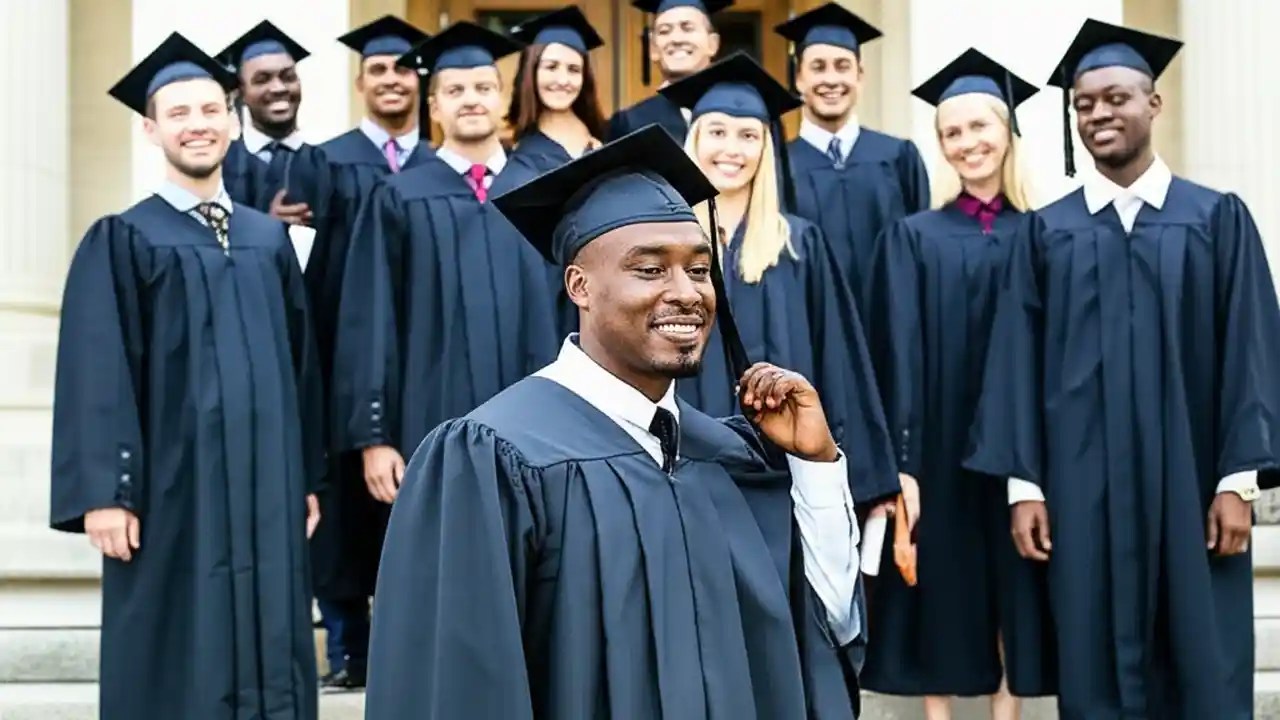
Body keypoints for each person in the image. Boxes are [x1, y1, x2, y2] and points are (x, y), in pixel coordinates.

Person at [365, 122, 865, 719]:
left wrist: (815, 466)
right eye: (650, 269)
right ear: (579, 285)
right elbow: (455, 690)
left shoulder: (726, 459)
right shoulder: (493, 456)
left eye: (699, 269)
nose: (686, 292)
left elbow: (824, 629)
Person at [966, 19, 1280, 720]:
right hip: (1083, 488)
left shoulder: (1216, 219)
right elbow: (1016, 358)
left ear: (1153, 104)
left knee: (1201, 656)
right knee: (1094, 646)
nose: (1100, 114)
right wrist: (1025, 485)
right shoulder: (1050, 231)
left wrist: (1239, 480)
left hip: (1195, 480)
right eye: (1084, 104)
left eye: (1116, 98)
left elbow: (1251, 349)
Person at [50, 32, 324, 720]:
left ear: (232, 121)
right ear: (151, 128)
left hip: (267, 484)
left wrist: (309, 478)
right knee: (180, 643)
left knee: (272, 635)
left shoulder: (267, 241)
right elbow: (96, 371)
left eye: (209, 110)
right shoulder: (124, 239)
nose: (197, 125)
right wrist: (105, 492)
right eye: (178, 114)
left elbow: (303, 369)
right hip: (173, 488)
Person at [859, 48, 1055, 720]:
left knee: (1018, 576)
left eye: (980, 126)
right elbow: (899, 350)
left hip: (1026, 438)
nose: (968, 142)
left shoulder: (1048, 234)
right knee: (937, 576)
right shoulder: (912, 237)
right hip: (938, 435)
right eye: (952, 132)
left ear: (1007, 132)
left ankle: (1009, 711)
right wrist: (903, 461)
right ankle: (938, 714)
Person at [332, 20, 559, 539]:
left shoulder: (541, 192)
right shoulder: (398, 197)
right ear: (434, 107)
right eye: (455, 91)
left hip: (542, 423)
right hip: (428, 425)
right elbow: (371, 321)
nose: (471, 100)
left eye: (483, 88)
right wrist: (375, 435)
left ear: (502, 100)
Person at [659, 51, 898, 506]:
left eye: (749, 135)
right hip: (678, 475)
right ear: (694, 140)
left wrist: (863, 480)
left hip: (782, 475)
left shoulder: (799, 246)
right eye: (717, 132)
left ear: (766, 148)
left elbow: (838, 361)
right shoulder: (661, 245)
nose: (732, 149)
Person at [297, 14, 430, 692]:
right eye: (378, 69)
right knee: (347, 498)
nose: (390, 79)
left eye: (402, 67)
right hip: (338, 345)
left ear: (418, 80)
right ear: (361, 82)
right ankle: (350, 648)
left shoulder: (442, 169)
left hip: (424, 350)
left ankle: (408, 645)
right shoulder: (328, 157)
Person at [775, 2, 930, 297]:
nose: (831, 79)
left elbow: (921, 253)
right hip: (815, 332)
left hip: (891, 329)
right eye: (818, 67)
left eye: (842, 66)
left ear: (860, 75)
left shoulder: (899, 157)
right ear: (798, 79)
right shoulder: (779, 165)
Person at [501, 5, 609, 338]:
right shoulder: (516, 161)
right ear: (531, 72)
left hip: (604, 308)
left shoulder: (602, 147)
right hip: (546, 314)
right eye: (551, 67)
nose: (563, 79)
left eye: (573, 69)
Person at [216, 20, 332, 271]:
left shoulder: (331, 165)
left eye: (288, 77)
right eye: (262, 79)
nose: (279, 87)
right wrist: (264, 232)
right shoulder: (220, 167)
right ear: (241, 93)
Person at [606, 0, 732, 143]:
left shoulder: (743, 116)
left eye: (688, 28)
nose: (676, 39)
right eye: (664, 31)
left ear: (713, 44)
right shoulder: (630, 124)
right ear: (653, 48)